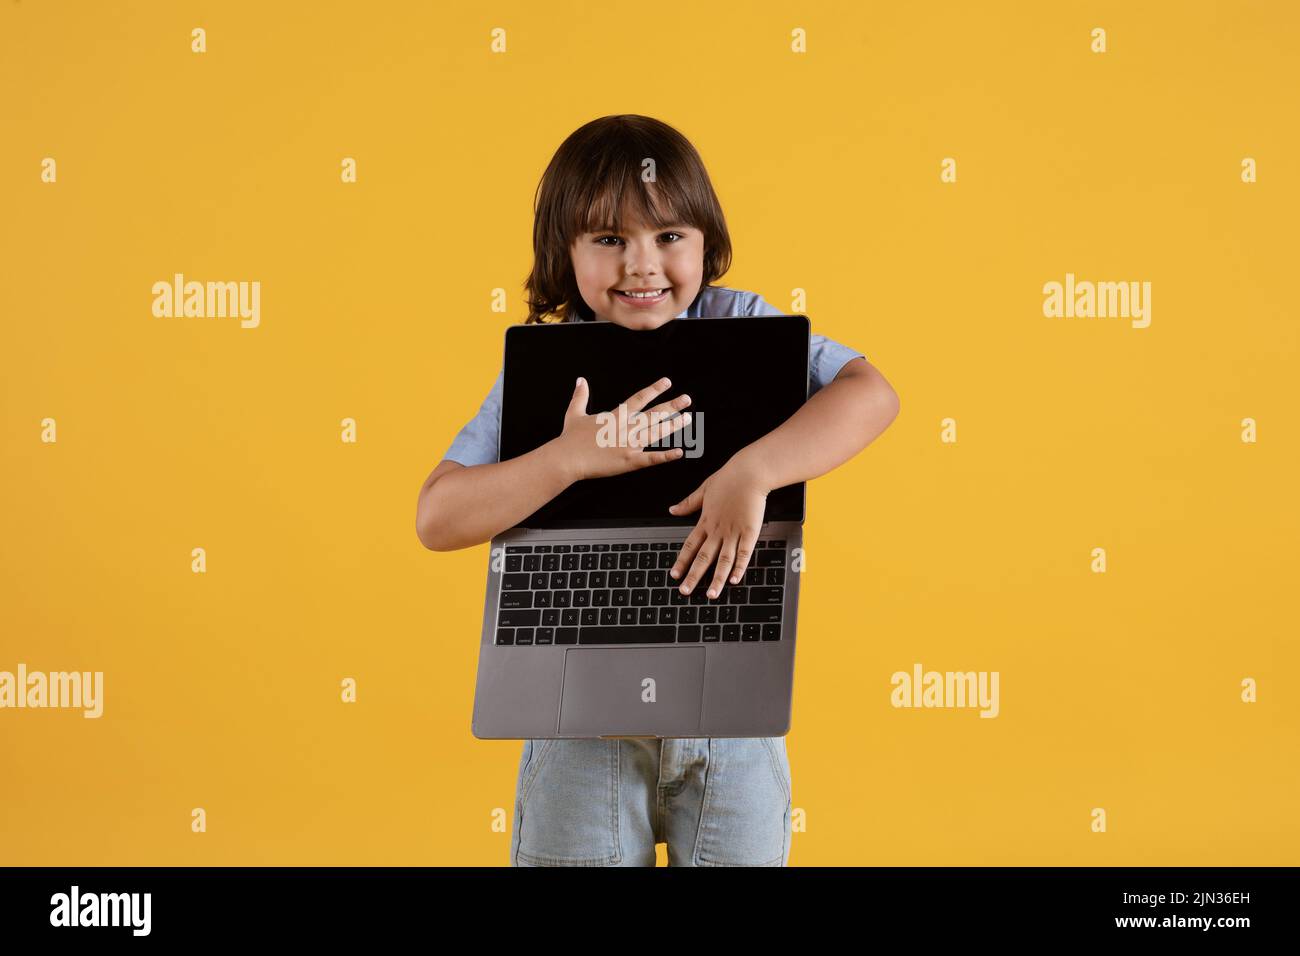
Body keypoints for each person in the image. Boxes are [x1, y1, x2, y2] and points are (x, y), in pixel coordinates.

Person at [417, 114, 900, 865]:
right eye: (609, 239)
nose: (643, 266)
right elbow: (438, 517)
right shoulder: (545, 363)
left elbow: (872, 395)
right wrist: (569, 459)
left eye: (669, 237)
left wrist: (755, 470)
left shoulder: (743, 323)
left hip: (728, 699)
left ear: (706, 243)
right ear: (564, 252)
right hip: (582, 715)